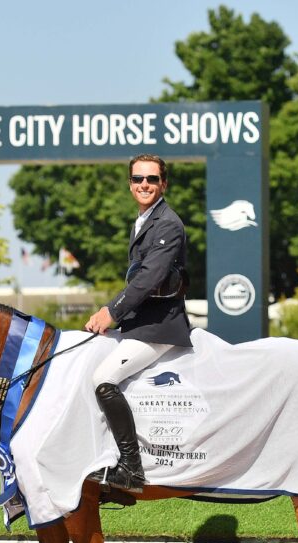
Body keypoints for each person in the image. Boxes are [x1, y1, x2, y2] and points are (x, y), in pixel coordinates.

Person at [84, 153, 191, 492]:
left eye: (152, 179)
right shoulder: (144, 220)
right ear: (130, 183)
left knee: (103, 378)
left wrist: (110, 312)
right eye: (138, 179)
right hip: (140, 323)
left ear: (164, 183)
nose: (144, 185)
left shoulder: (168, 223)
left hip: (159, 327)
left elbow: (148, 278)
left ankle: (131, 470)